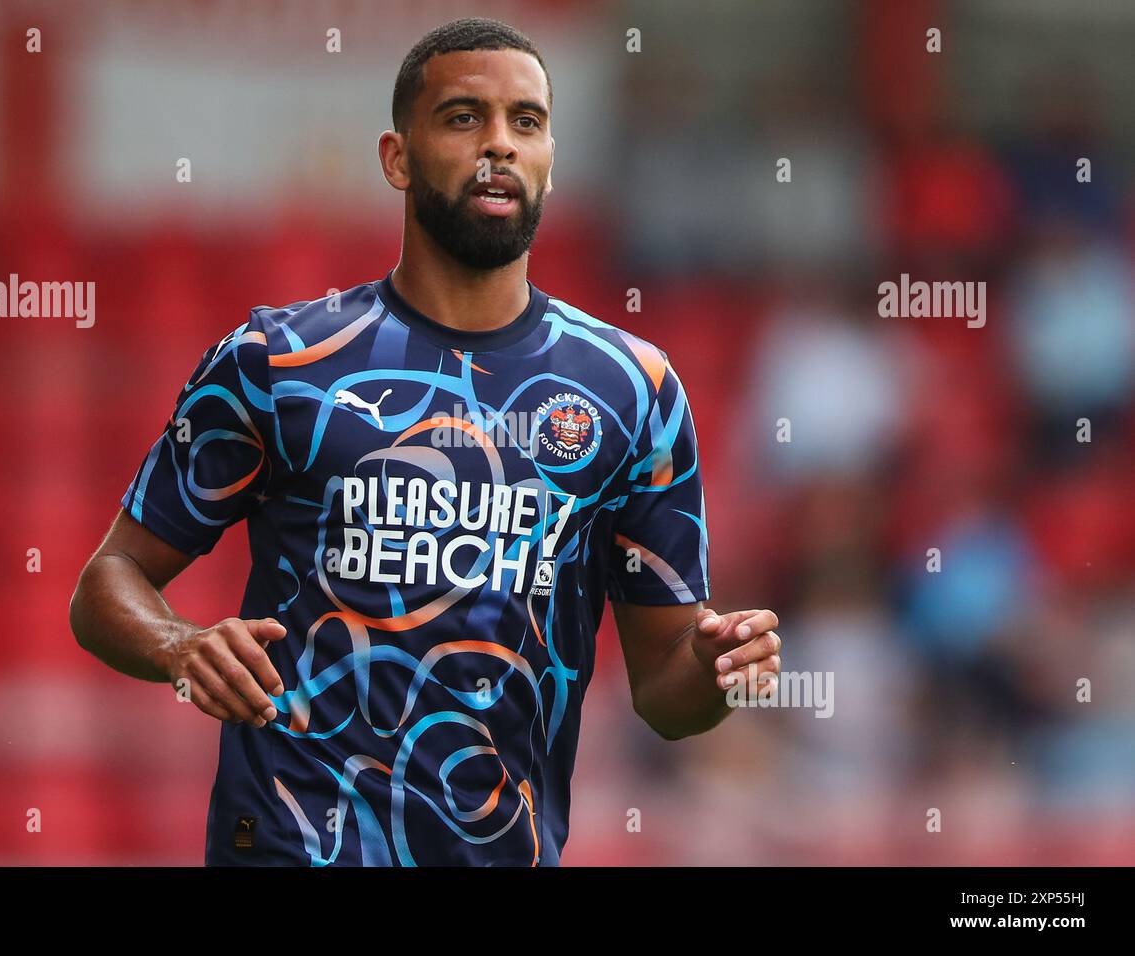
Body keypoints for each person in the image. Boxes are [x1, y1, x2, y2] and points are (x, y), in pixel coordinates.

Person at [70, 16, 780, 866]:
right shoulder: (279, 362)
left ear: (550, 159)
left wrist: (717, 672)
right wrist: (180, 646)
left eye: (526, 122)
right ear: (397, 157)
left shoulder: (634, 391)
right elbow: (106, 583)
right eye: (463, 117)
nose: (499, 144)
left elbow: (666, 694)